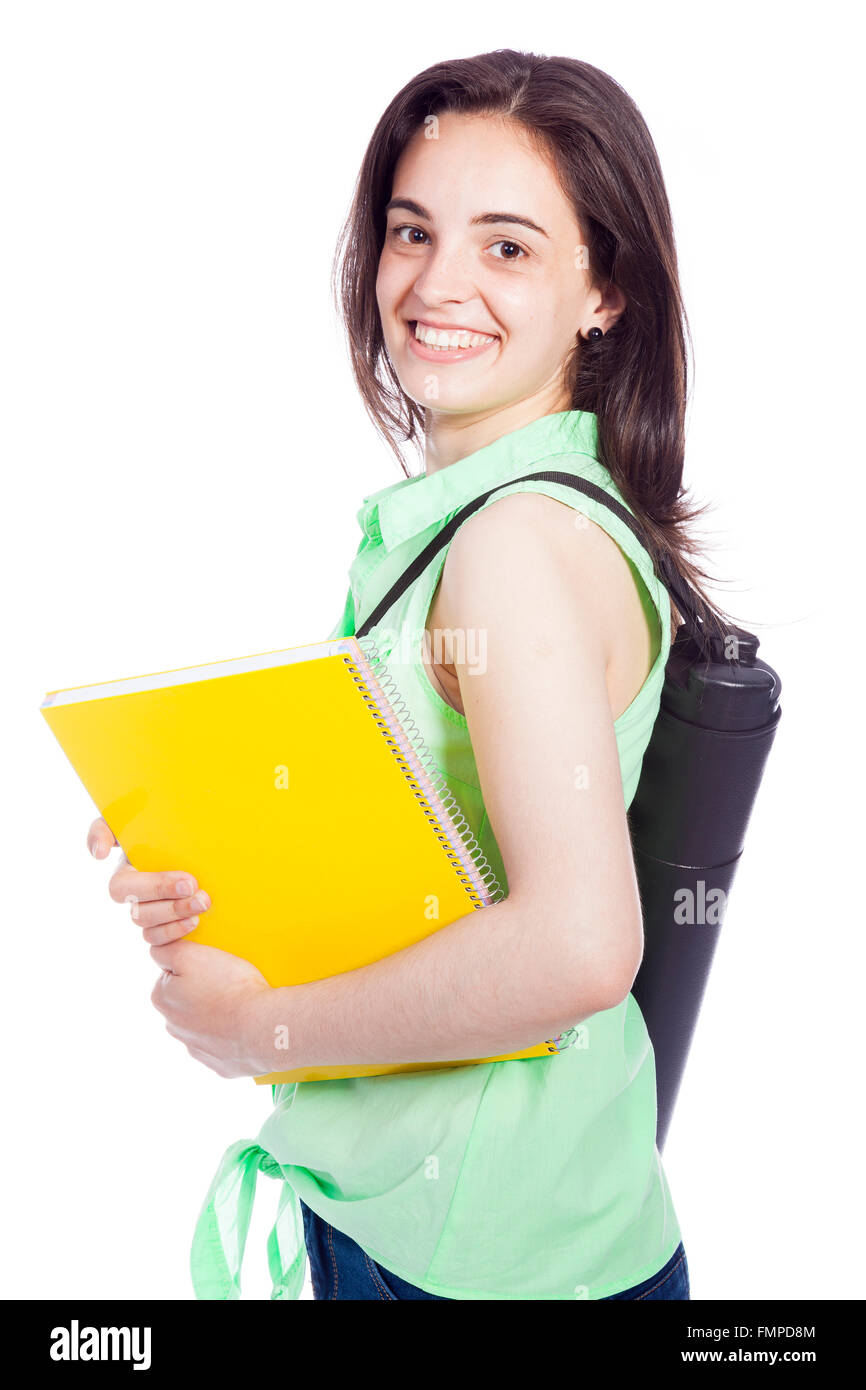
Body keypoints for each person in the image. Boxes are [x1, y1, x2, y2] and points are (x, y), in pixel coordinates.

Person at [88, 49, 733, 1300]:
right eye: (410, 230)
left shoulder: (511, 549)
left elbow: (577, 946)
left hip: (485, 1267)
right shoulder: (495, 519)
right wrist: (231, 863)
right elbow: (441, 855)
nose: (437, 285)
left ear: (604, 290)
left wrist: (254, 1030)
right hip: (420, 1224)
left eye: (507, 247)